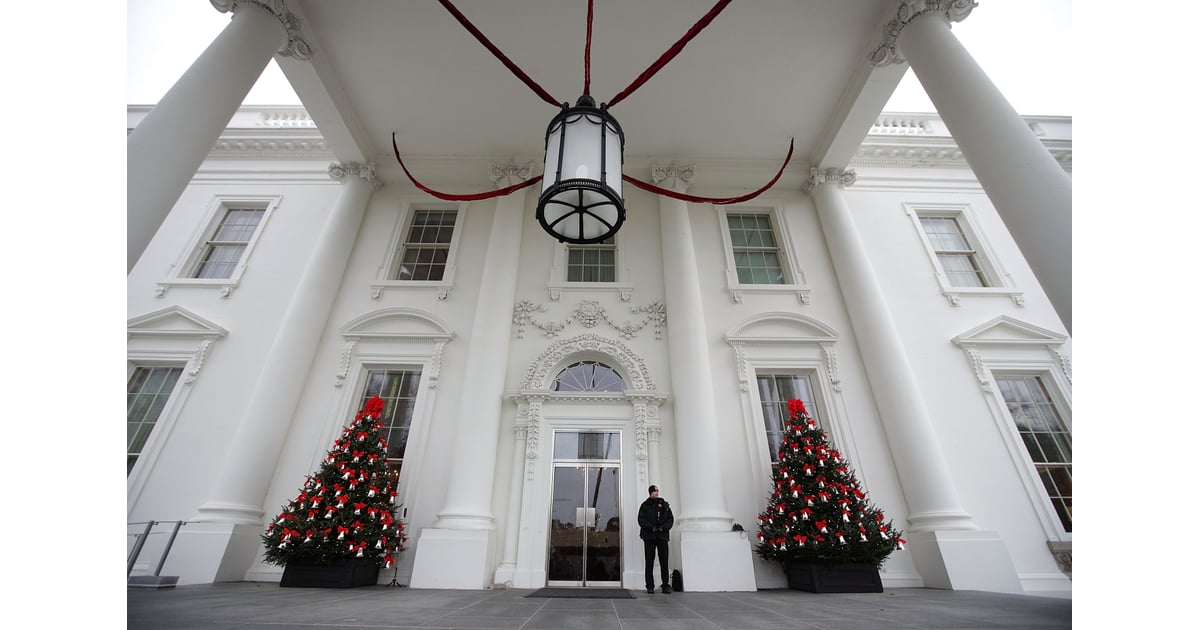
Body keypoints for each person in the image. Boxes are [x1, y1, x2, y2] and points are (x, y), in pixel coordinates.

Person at [637, 484, 674, 594]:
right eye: (654, 491)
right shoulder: (645, 505)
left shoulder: (664, 505)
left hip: (662, 537)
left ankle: (665, 585)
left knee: (664, 561)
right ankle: (650, 585)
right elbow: (641, 520)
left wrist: (663, 528)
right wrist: (651, 527)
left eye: (657, 490)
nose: (656, 492)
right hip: (649, 537)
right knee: (649, 561)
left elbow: (670, 519)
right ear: (650, 492)